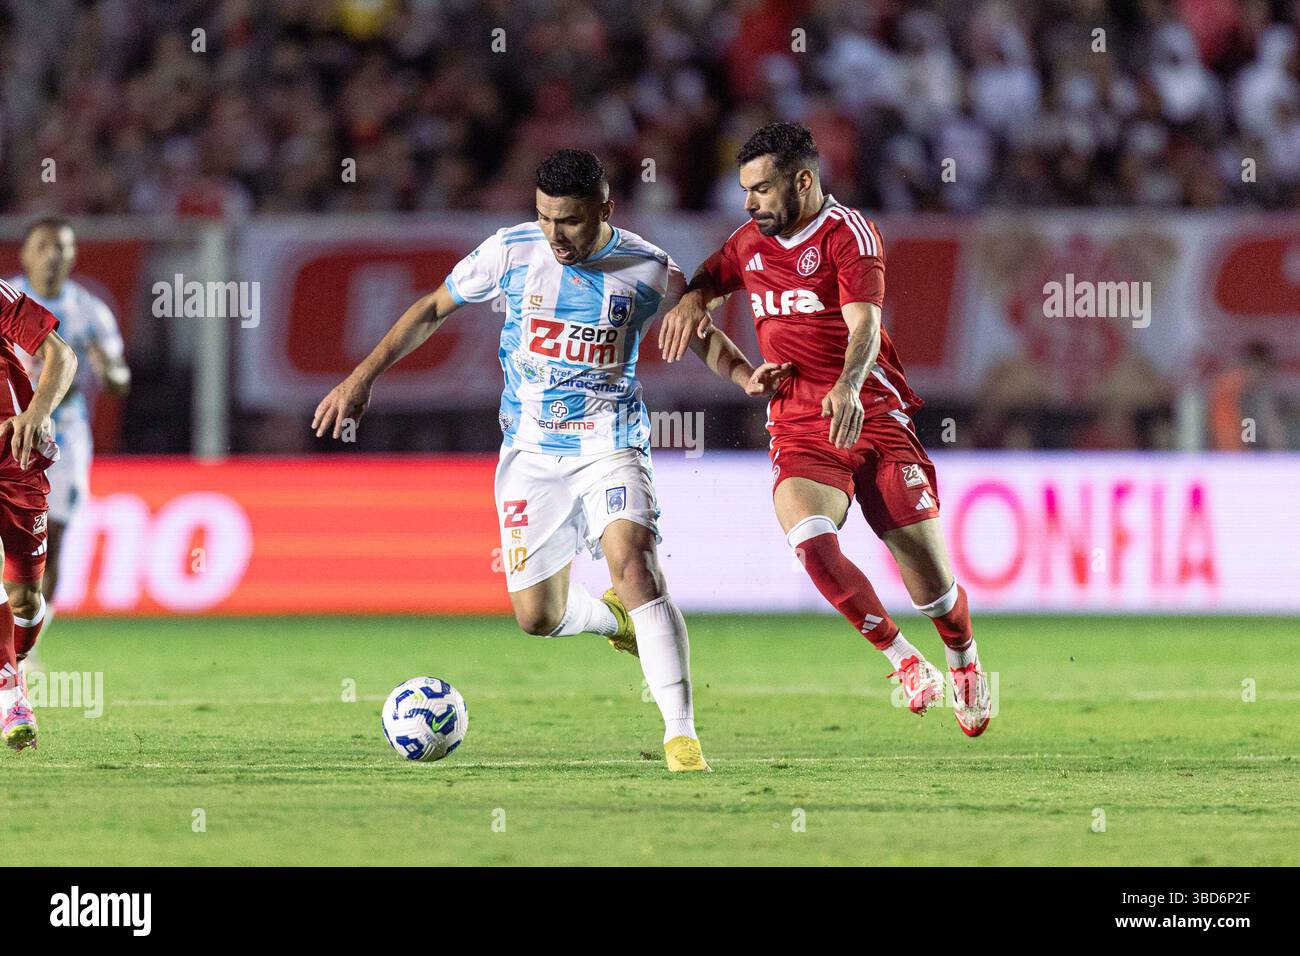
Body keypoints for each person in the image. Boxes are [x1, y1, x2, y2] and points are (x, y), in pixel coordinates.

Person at [314, 149, 752, 770]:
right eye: (545, 218)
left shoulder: (648, 269)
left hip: (610, 443)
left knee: (636, 566)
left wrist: (746, 377)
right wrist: (362, 378)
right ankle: (611, 622)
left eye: (570, 221)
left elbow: (700, 333)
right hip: (530, 453)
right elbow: (433, 308)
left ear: (604, 209)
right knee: (538, 617)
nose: (556, 235)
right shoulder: (511, 251)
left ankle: (681, 736)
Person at [660, 122, 992, 736]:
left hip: (874, 414)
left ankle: (963, 657)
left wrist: (846, 384)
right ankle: (903, 660)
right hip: (799, 423)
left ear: (803, 181)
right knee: (811, 541)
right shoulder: (747, 244)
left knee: (935, 589)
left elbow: (864, 326)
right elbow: (707, 278)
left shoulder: (850, 236)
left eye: (760, 189)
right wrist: (690, 302)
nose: (750, 203)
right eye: (745, 190)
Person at [9, 217, 131, 616]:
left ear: (74, 254)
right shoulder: (10, 299)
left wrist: (109, 370)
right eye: (43, 246)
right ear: (26, 254)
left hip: (65, 431)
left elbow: (119, 380)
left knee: (53, 536)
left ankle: (28, 646)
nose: (52, 255)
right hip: (8, 425)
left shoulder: (89, 310)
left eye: (61, 246)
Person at [0, 276, 78, 751]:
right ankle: (11, 698)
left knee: (25, 598)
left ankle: (17, 658)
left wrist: (39, 410)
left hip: (16, 454)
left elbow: (61, 354)